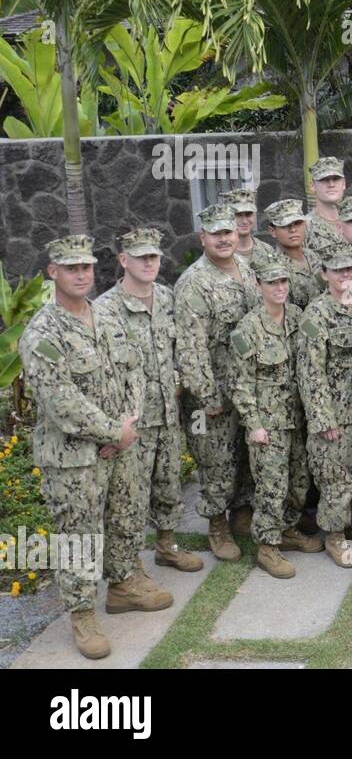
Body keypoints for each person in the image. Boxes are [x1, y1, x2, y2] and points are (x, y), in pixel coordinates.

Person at [20, 235, 155, 659]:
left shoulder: (108, 317)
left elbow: (137, 370)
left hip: (120, 444)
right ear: (52, 272)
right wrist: (112, 433)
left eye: (87, 267)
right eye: (71, 267)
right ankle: (82, 615)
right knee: (79, 534)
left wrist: (126, 425)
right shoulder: (43, 332)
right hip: (73, 458)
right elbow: (61, 402)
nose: (82, 274)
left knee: (125, 516)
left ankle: (123, 585)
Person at [95, 228, 202, 575]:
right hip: (133, 422)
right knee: (130, 498)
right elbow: (103, 373)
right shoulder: (106, 310)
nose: (148, 263)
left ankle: (167, 545)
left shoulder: (168, 298)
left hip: (168, 416)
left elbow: (181, 351)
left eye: (153, 256)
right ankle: (131, 563)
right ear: (124, 260)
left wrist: (180, 382)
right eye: (141, 257)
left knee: (169, 486)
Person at [174, 203, 261, 557]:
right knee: (215, 461)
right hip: (209, 397)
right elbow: (189, 349)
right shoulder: (194, 283)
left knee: (243, 454)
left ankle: (241, 513)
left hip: (246, 388)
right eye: (216, 233)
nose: (224, 239)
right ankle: (217, 526)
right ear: (202, 237)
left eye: (228, 232)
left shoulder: (246, 268)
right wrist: (207, 397)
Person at [229, 255, 323, 579]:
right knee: (271, 486)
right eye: (272, 283)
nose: (280, 287)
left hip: (298, 416)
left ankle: (289, 529)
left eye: (283, 281)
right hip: (268, 424)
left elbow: (314, 356)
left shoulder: (298, 317)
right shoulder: (248, 329)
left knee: (299, 481)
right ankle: (267, 547)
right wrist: (253, 424)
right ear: (259, 286)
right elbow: (239, 382)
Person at [298, 243, 352, 563]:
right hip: (336, 414)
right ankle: (335, 535)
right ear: (324, 275)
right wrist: (322, 419)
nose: (346, 275)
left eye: (350, 268)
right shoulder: (316, 316)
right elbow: (310, 372)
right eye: (338, 270)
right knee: (335, 477)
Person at [263, 198, 324, 309]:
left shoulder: (313, 256)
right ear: (272, 231)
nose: (293, 230)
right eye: (285, 225)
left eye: (297, 223)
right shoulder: (272, 267)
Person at [306, 156, 349, 254]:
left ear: (344, 184)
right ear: (312, 186)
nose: (331, 184)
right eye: (324, 179)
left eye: (336, 179)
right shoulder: (304, 228)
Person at [224, 188, 275, 263]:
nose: (244, 221)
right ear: (227, 216)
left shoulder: (267, 250)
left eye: (248, 214)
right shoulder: (222, 252)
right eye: (238, 215)